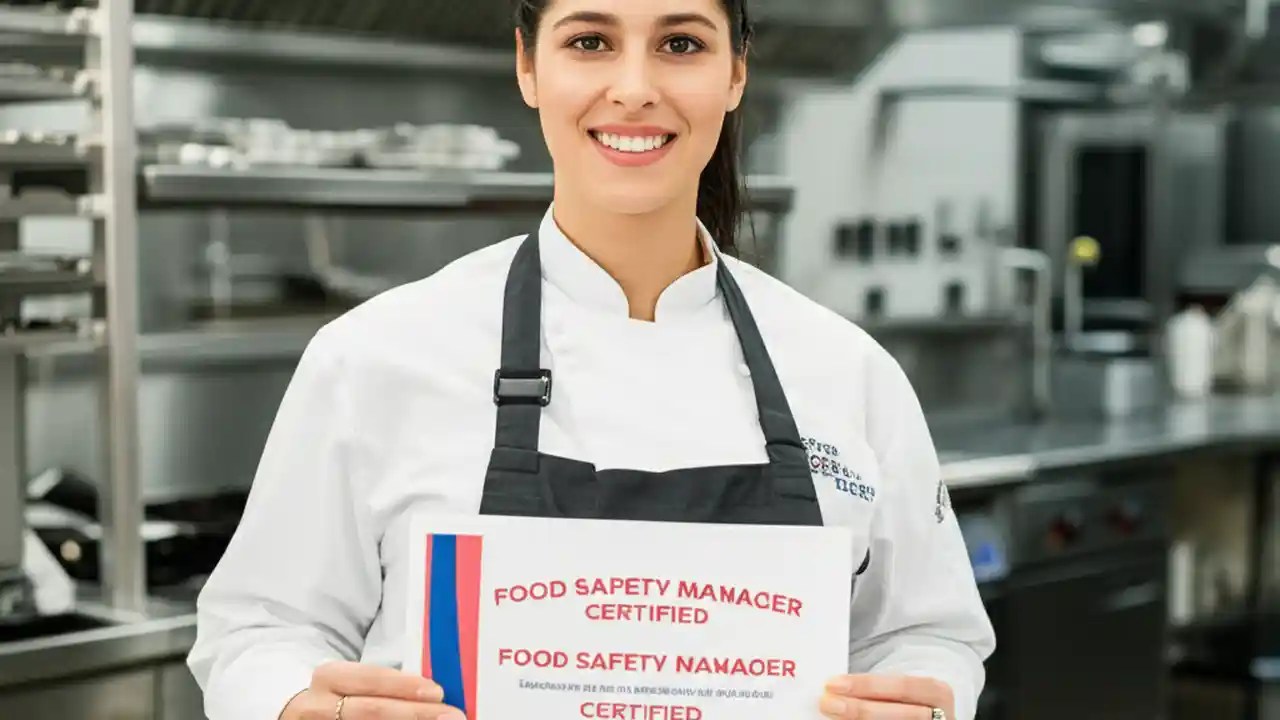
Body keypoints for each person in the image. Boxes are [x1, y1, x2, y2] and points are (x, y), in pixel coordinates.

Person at [187, 0, 996, 718]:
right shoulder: (377, 357)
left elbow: (930, 637)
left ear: (736, 73)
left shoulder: (846, 371)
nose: (636, 87)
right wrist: (300, 706)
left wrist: (923, 703)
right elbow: (257, 632)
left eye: (681, 44)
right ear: (528, 66)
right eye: (590, 42)